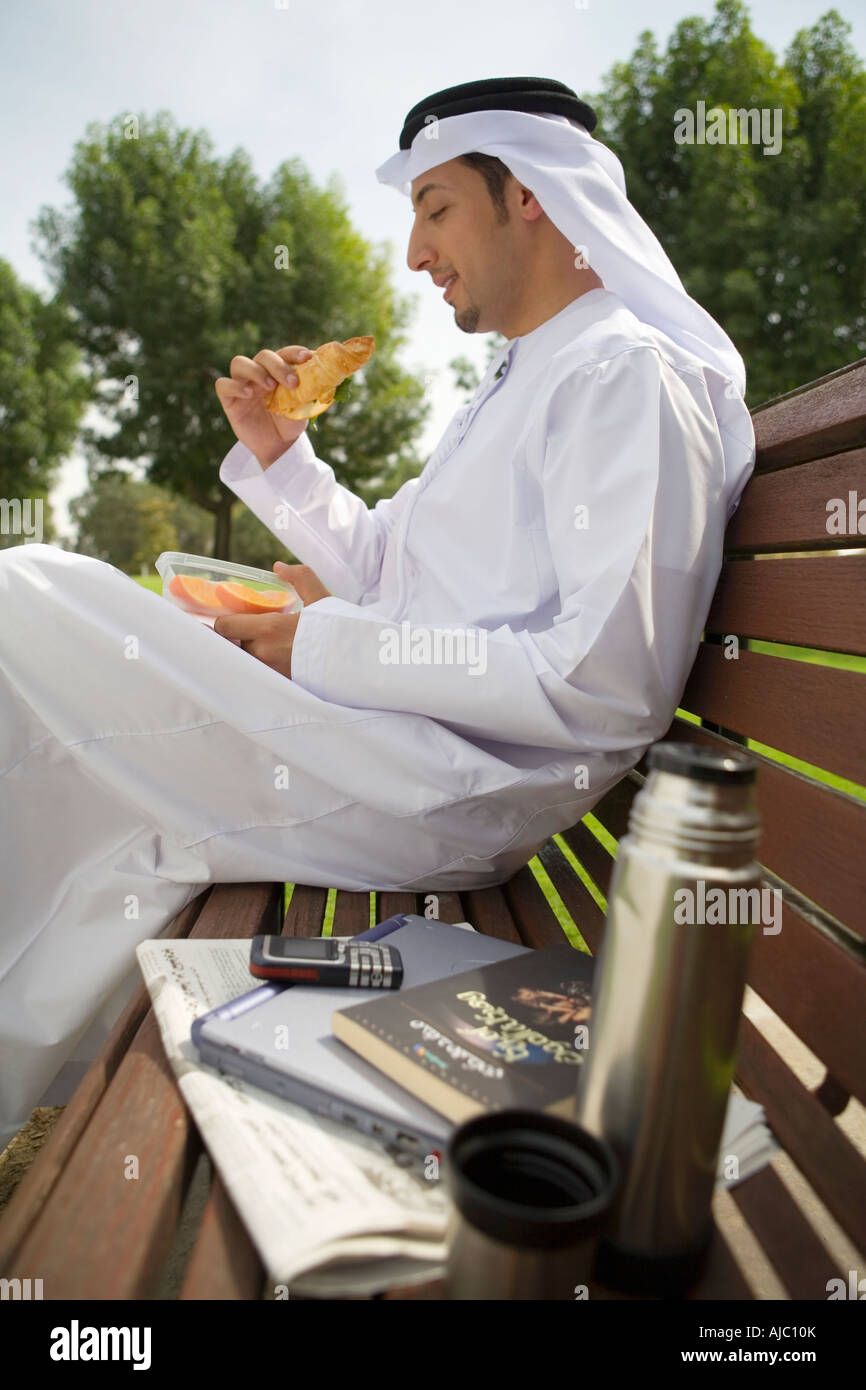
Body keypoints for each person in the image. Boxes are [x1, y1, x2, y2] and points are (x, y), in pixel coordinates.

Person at [0, 76, 755, 1149]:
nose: (415, 252)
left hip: (438, 784)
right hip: (384, 743)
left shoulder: (619, 375)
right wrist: (279, 452)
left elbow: (602, 685)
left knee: (25, 601)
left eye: (436, 208)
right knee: (53, 642)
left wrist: (315, 645)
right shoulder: (526, 375)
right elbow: (385, 564)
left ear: (530, 193)